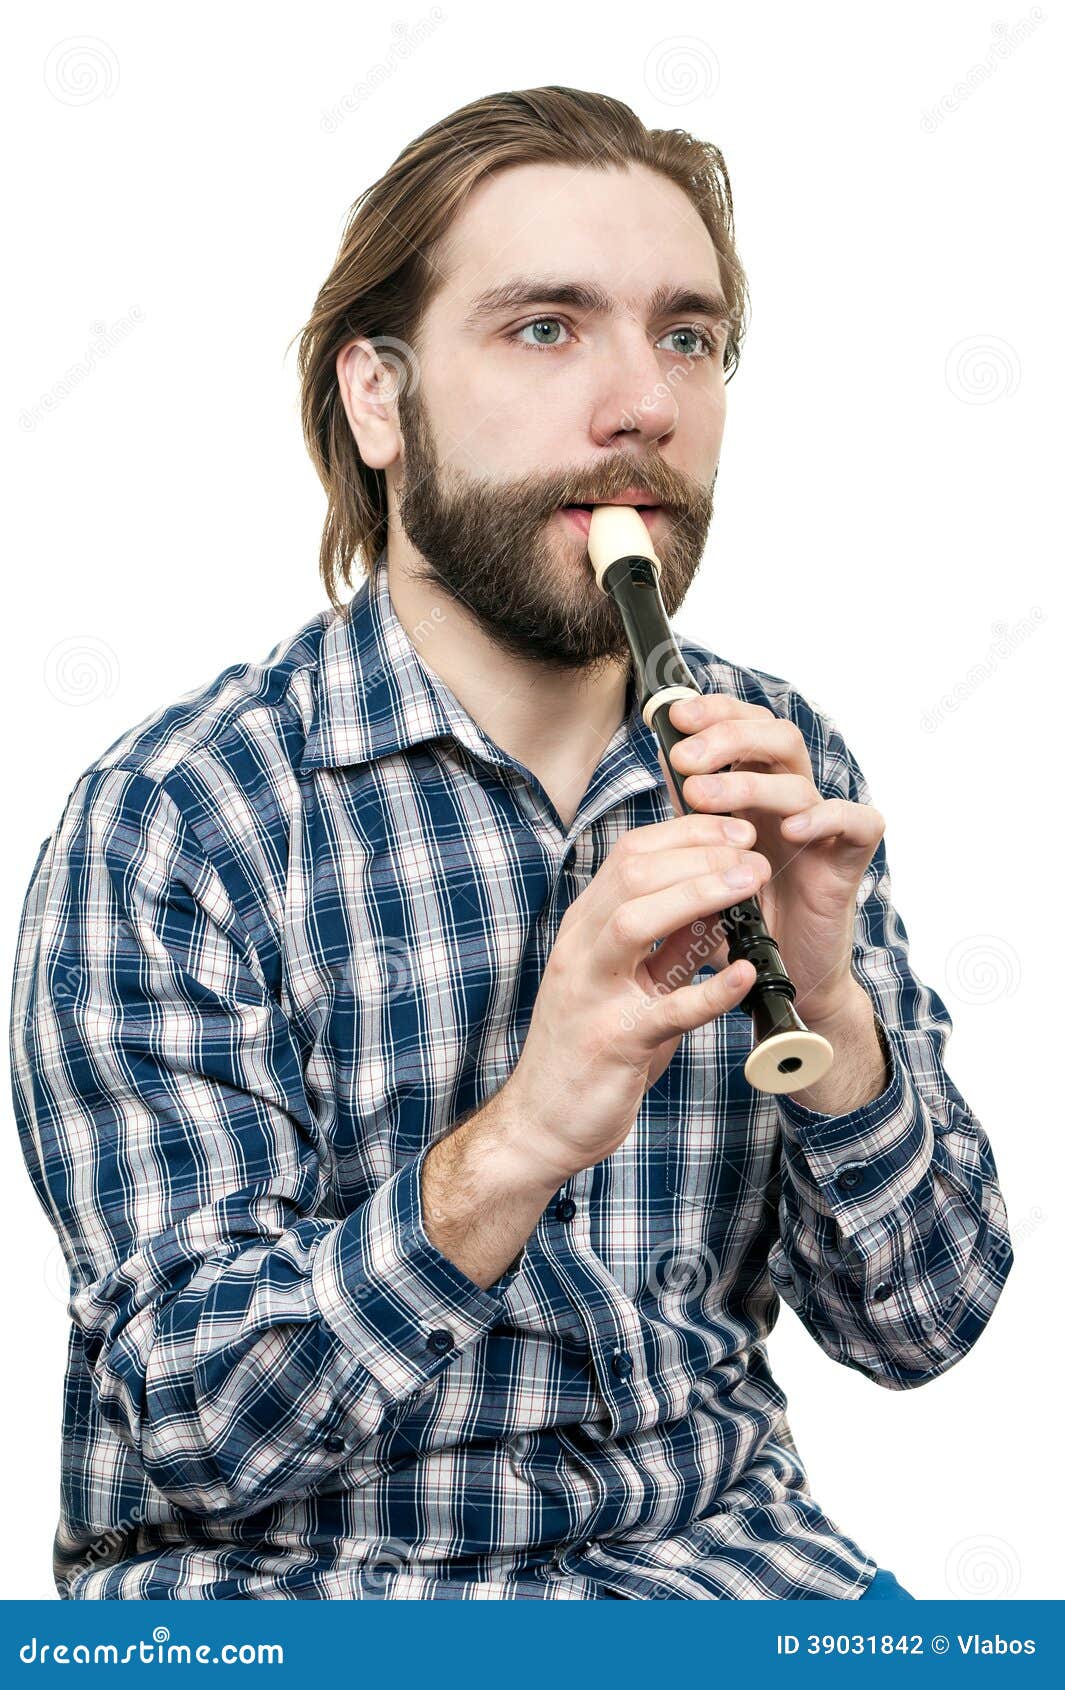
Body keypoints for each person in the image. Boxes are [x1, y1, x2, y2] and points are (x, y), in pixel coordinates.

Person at [10, 86, 1012, 1602]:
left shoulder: (772, 766)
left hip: (722, 1570)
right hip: (307, 1596)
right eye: (547, 328)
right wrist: (524, 1137)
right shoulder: (178, 822)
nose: (644, 404)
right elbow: (194, 1427)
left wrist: (831, 1015)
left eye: (687, 337)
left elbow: (920, 1326)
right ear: (378, 400)